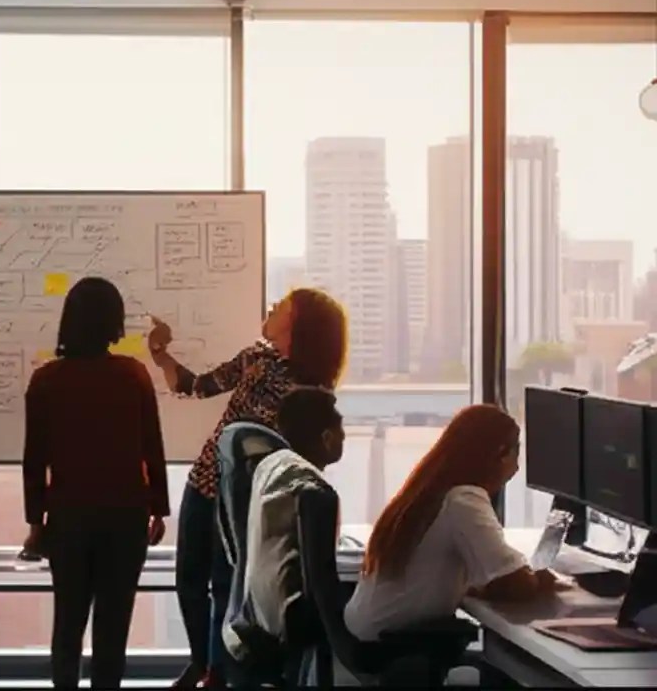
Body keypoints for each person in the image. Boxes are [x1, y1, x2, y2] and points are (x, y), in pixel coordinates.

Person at [148, 288, 347, 688]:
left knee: (228, 585)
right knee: (188, 576)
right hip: (205, 481)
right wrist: (160, 356)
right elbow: (197, 385)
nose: (272, 308)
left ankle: (218, 672)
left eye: (282, 307)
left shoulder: (314, 392)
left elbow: (311, 457)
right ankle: (202, 662)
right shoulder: (257, 357)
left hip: (252, 503)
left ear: (299, 324)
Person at [22, 277, 170, 689]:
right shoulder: (134, 375)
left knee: (67, 624)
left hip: (69, 518)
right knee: (113, 627)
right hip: (126, 517)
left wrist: (37, 524)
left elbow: (35, 460)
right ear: (114, 323)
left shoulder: (46, 380)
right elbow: (151, 446)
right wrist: (158, 508)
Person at [344, 404, 568, 642]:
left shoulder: (428, 490)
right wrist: (539, 579)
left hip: (363, 629)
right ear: (502, 454)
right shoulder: (463, 499)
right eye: (517, 451)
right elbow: (516, 583)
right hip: (392, 640)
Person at [225, 387, 345, 676]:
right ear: (327, 438)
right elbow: (321, 582)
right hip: (289, 624)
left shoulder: (269, 467)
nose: (344, 438)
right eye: (342, 431)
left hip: (256, 617)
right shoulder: (316, 491)